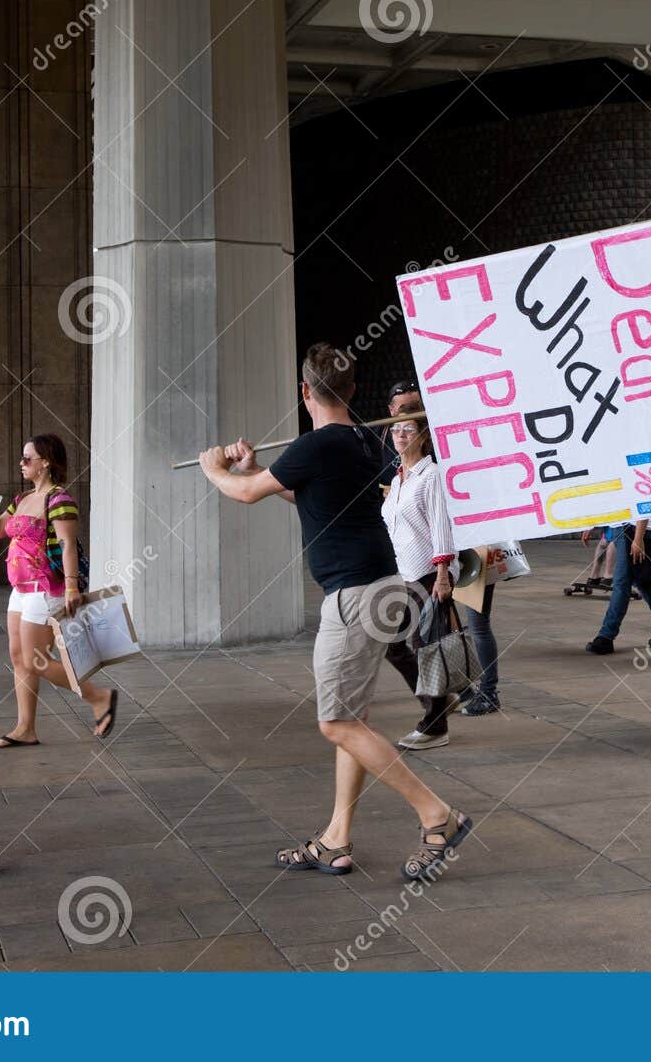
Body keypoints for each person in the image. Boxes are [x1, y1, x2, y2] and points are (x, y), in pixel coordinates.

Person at [199, 343, 472, 882]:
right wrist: (264, 471)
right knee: (354, 720)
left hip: (353, 597)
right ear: (351, 391)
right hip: (384, 587)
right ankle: (335, 840)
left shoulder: (315, 444)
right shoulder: (363, 441)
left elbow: (246, 492)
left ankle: (437, 815)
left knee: (336, 723)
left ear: (306, 392)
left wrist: (216, 470)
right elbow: (318, 499)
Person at [0, 434, 120, 746]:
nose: (21, 463)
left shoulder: (59, 500)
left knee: (34, 660)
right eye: (22, 458)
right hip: (20, 590)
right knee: (18, 657)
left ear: (46, 463)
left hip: (45, 588)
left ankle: (100, 697)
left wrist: (70, 586)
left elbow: (67, 545)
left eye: (28, 459)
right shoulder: (21, 498)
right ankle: (25, 729)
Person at [384, 382, 503, 716]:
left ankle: (487, 692)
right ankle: (458, 689)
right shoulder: (400, 456)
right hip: (434, 552)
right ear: (392, 410)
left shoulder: (455, 448)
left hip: (471, 543)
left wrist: (442, 571)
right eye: (402, 409)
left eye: (415, 407)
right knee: (438, 630)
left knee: (474, 623)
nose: (404, 421)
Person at [379, 402, 461, 750]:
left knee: (422, 647)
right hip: (404, 572)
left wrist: (443, 574)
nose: (400, 435)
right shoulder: (399, 478)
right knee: (395, 646)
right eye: (396, 429)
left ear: (424, 436)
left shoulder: (432, 476)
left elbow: (443, 526)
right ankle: (439, 701)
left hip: (430, 572)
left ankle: (435, 723)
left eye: (408, 429)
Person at [584, 517, 651, 655]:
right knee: (642, 581)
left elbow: (641, 501)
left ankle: (606, 636)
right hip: (624, 528)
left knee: (621, 584)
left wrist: (638, 538)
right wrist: (591, 524)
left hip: (631, 529)